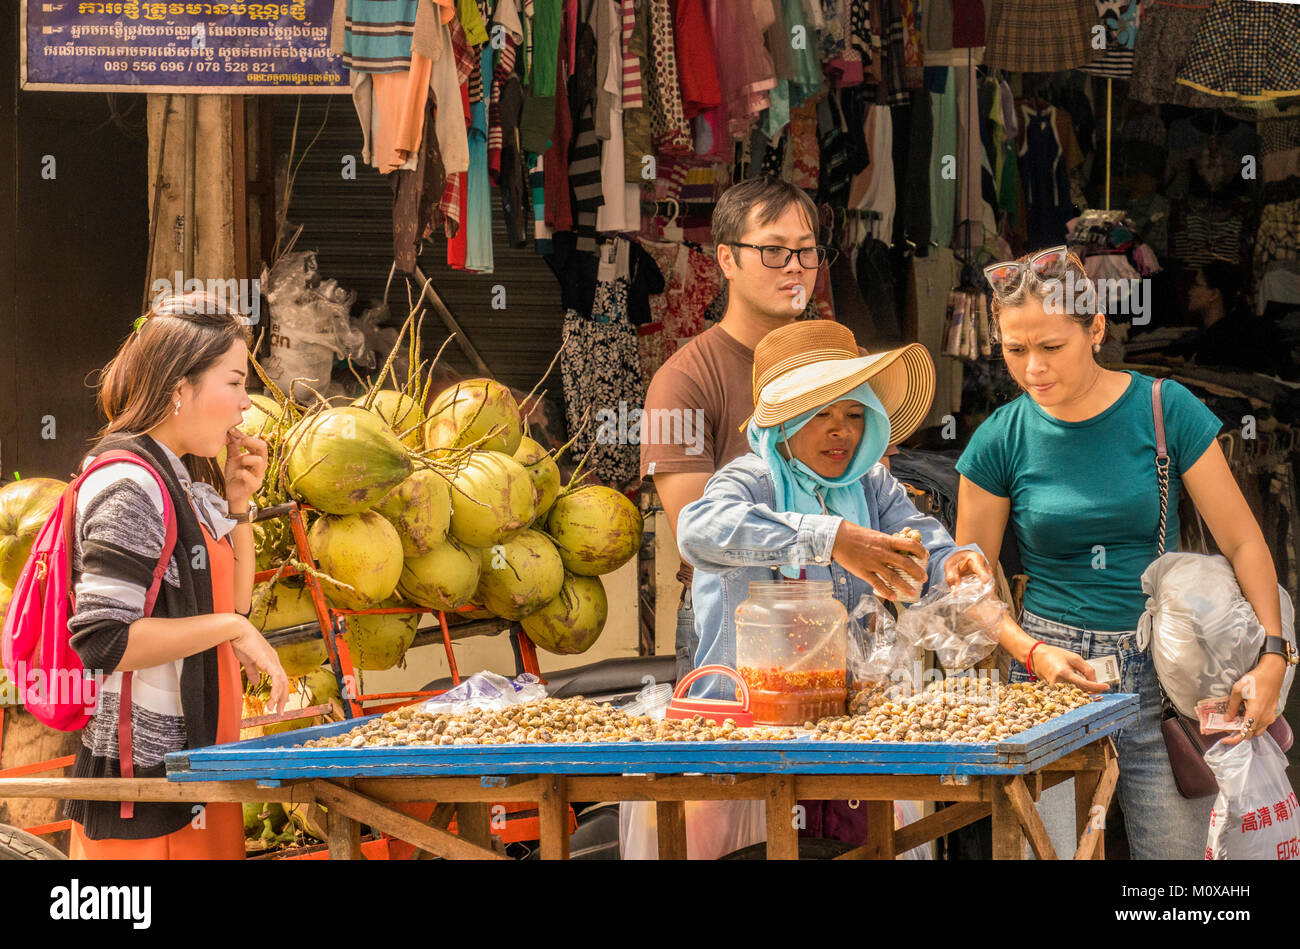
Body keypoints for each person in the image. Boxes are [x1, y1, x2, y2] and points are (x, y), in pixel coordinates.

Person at [955, 246, 1289, 860]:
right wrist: (1028, 650)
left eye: (1051, 348)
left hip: (1162, 676)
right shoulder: (998, 439)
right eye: (1014, 350)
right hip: (1045, 681)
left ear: (1096, 328)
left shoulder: (1164, 410)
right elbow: (970, 584)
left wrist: (1274, 654)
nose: (1033, 369)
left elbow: (1243, 540)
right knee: (1046, 852)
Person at [675, 320, 1020, 845]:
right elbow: (697, 532)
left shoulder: (872, 485)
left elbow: (930, 552)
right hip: (745, 736)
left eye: (855, 414)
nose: (842, 431)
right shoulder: (750, 480)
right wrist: (829, 538)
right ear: (784, 424)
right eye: (821, 416)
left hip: (847, 732)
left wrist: (954, 561)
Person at [65, 291, 288, 859]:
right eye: (235, 381)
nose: (245, 404)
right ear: (179, 389)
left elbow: (234, 605)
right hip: (144, 795)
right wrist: (229, 631)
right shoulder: (130, 485)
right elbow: (105, 641)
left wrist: (239, 504)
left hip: (195, 769)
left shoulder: (179, 480)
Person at [641, 177, 831, 685]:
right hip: (736, 617)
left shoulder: (840, 370)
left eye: (806, 252)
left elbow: (871, 493)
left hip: (836, 612)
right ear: (726, 259)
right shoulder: (683, 380)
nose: (794, 266)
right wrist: (829, 536)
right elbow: (698, 534)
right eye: (772, 251)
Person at [1184, 261, 1279, 373]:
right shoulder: (1215, 334)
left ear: (1213, 294)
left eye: (1196, 285)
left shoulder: (1223, 343)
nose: (1190, 291)